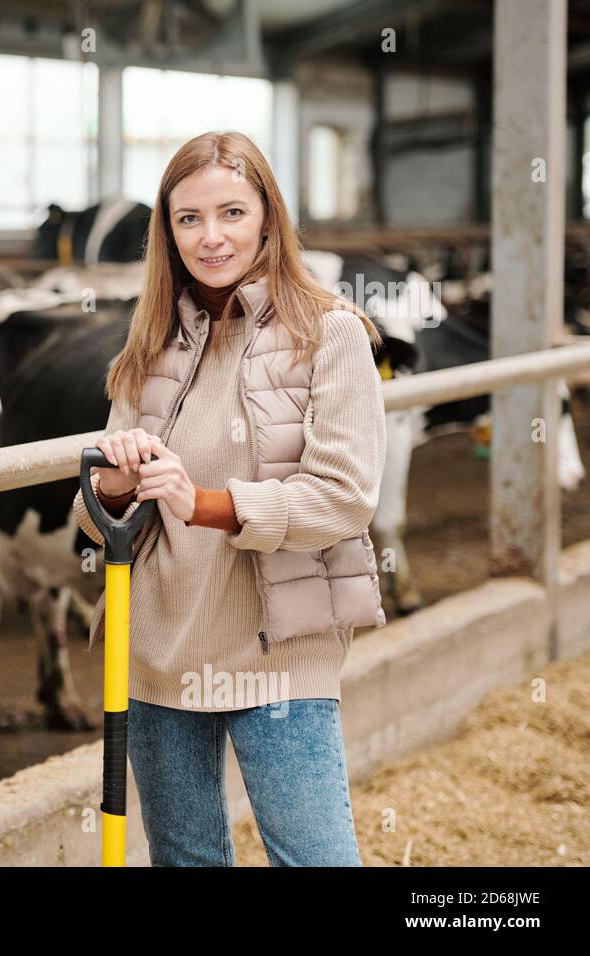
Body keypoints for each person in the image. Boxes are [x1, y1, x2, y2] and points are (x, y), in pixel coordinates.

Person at [71, 130, 388, 866]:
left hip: (277, 648)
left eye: (232, 213)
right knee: (185, 860)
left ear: (268, 218)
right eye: (188, 219)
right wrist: (115, 482)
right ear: (168, 231)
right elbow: (93, 519)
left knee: (314, 860)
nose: (210, 237)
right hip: (153, 648)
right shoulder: (149, 345)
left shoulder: (330, 335)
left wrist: (205, 503)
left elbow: (343, 498)